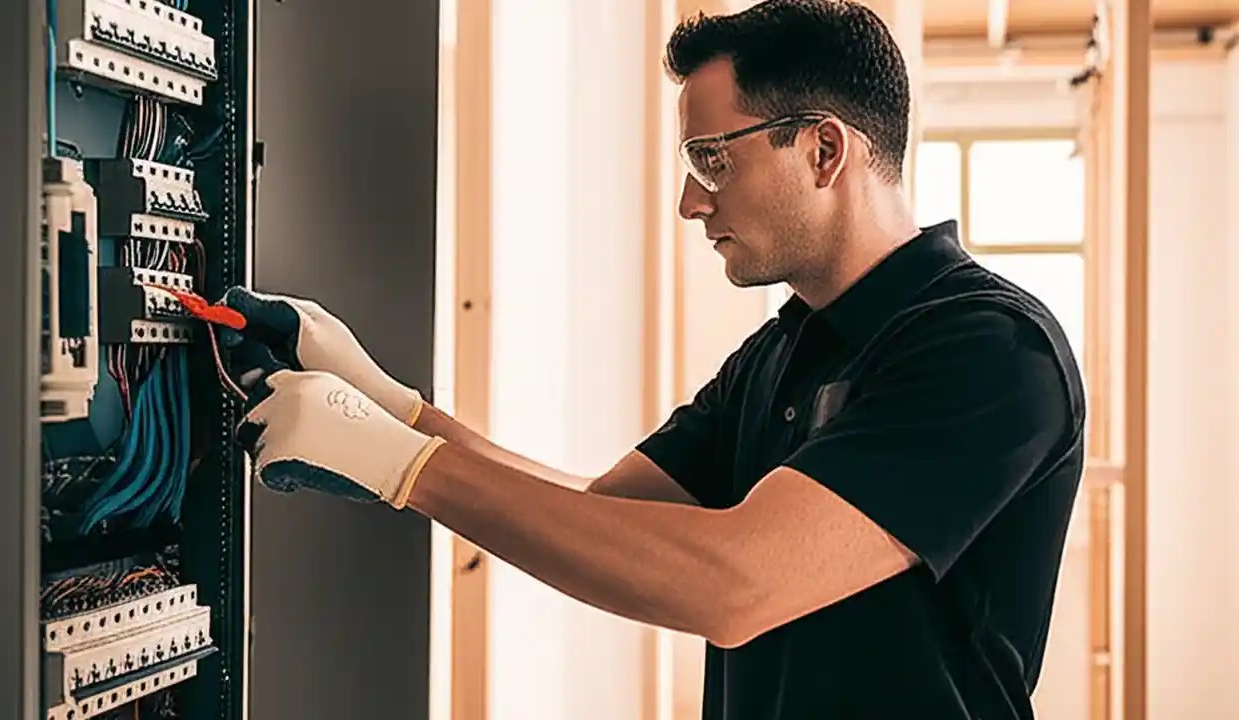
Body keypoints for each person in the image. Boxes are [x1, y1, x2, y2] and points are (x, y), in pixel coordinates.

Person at [220, 0, 1086, 717]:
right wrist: (390, 408)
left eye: (713, 160)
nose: (689, 200)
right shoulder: (783, 350)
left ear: (825, 151)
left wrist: (405, 466)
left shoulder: (988, 352)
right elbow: (598, 515)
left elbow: (733, 584)